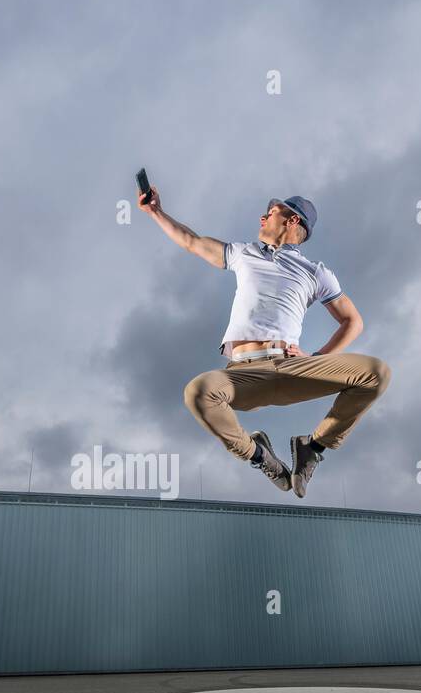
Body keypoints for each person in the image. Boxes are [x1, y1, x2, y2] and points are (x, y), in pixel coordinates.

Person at [139, 187, 391, 497]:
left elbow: (353, 321)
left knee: (375, 373)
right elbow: (192, 242)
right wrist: (156, 212)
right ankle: (260, 455)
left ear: (292, 219)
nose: (262, 216)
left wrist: (316, 357)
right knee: (198, 392)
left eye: (271, 212)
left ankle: (313, 447)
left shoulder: (316, 273)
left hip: (291, 369)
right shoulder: (243, 253)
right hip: (242, 374)